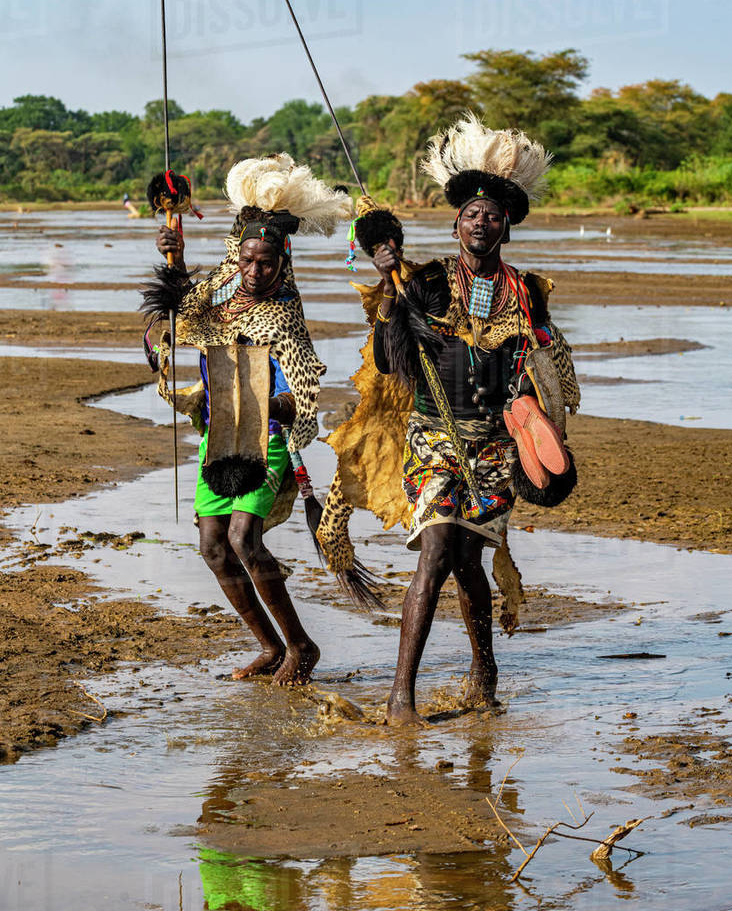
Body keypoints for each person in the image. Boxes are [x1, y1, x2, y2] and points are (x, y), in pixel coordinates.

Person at [317, 114, 580, 724]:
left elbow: (545, 367)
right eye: (470, 214)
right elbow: (387, 358)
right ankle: (401, 696)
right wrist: (389, 287)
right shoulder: (427, 282)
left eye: (491, 215)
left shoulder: (527, 294)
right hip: (434, 436)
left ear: (506, 226)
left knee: (469, 559)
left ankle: (483, 669)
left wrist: (547, 439)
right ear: (456, 223)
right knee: (435, 552)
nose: (480, 222)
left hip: (495, 447)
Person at [143, 154, 350, 686]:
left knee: (243, 539)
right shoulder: (219, 307)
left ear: (282, 263)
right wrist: (175, 258)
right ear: (238, 256)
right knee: (213, 546)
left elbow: (303, 395)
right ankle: (272, 646)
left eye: (268, 263)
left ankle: (302, 648)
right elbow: (176, 321)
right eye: (250, 261)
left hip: (267, 442)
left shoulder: (283, 315)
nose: (257, 272)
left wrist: (266, 402)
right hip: (219, 440)